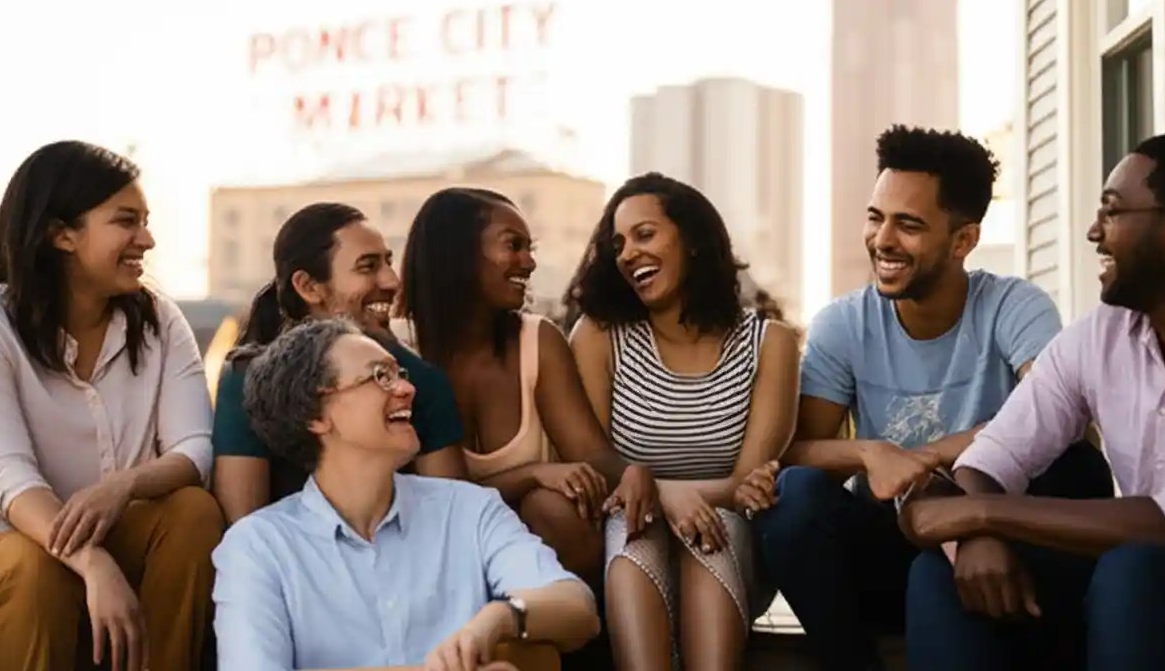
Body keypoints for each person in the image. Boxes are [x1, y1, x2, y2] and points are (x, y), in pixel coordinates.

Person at [738, 125, 1113, 670]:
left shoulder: (1013, 306)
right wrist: (870, 453)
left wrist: (927, 457)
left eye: (908, 225)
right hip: (885, 551)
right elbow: (797, 449)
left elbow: (1061, 419)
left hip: (997, 541)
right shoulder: (844, 323)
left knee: (1075, 464)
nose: (882, 240)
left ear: (963, 240)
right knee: (793, 496)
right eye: (875, 217)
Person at [900, 131, 1165, 671]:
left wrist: (974, 511)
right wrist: (976, 534)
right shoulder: (1103, 334)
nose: (1095, 232)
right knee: (946, 572)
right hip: (1143, 597)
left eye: (1112, 212)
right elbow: (994, 456)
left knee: (1135, 572)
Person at [212, 317, 601, 670]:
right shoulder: (257, 547)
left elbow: (578, 607)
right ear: (317, 415)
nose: (407, 388)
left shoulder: (468, 509)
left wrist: (501, 618)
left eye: (399, 373)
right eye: (380, 376)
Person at [0, 141, 222, 671]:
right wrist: (91, 562)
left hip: (127, 534)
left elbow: (195, 449)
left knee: (192, 513)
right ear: (61, 234)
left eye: (145, 221)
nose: (147, 239)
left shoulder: (161, 322)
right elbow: (7, 476)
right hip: (12, 545)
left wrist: (124, 486)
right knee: (32, 568)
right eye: (126, 221)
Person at [565, 173, 800, 670]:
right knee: (636, 535)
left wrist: (666, 492)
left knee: (710, 535)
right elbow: (591, 460)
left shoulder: (771, 344)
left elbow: (745, 486)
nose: (628, 253)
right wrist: (663, 495)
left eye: (645, 234)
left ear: (691, 239)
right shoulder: (598, 336)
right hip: (630, 527)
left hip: (729, 537)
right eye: (618, 244)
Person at [398, 187, 657, 584]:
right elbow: (434, 499)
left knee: (549, 507)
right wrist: (530, 474)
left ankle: (575, 634)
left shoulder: (538, 340)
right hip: (439, 549)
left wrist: (633, 473)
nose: (529, 262)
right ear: (459, 255)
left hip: (540, 546)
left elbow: (592, 456)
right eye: (513, 246)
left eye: (529, 247)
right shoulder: (398, 353)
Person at [212, 202, 466, 524]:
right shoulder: (246, 380)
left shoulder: (418, 381)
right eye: (367, 267)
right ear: (308, 287)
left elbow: (451, 520)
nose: (391, 281)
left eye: (388, 262)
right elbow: (243, 526)